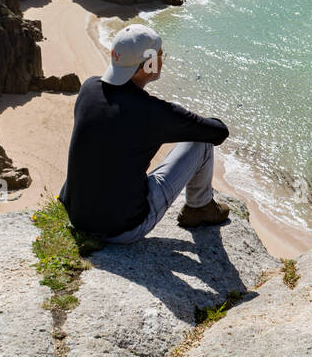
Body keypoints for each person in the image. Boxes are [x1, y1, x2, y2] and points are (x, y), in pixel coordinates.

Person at [58, 23, 231, 243]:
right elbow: (217, 133)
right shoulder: (151, 112)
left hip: (78, 217)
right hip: (122, 228)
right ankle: (199, 208)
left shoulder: (89, 88)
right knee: (201, 143)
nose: (162, 60)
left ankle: (198, 207)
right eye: (160, 55)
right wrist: (185, 117)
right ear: (147, 64)